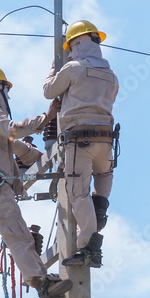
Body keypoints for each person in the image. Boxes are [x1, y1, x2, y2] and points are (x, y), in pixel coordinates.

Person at [0, 64, 71, 298]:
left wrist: (41, 157)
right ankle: (43, 285)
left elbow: (15, 146)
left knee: (21, 236)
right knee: (19, 239)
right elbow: (13, 131)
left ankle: (43, 282)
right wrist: (47, 117)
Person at [42, 20, 119, 268]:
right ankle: (101, 207)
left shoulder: (73, 68)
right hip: (105, 140)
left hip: (79, 140)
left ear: (74, 44)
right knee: (103, 178)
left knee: (78, 193)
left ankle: (89, 248)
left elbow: (49, 91)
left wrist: (56, 66)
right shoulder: (111, 75)